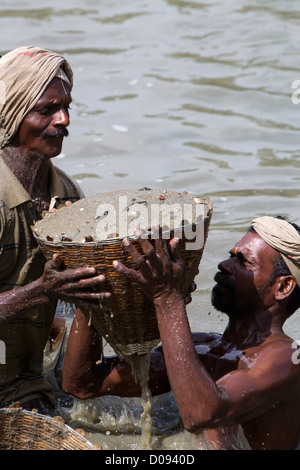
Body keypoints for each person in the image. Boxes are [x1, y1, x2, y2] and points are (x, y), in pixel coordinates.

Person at [62, 216, 300, 450]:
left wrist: (166, 297)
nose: (224, 265)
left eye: (244, 261)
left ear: (283, 286)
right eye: (230, 256)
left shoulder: (289, 359)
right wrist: (93, 291)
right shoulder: (203, 347)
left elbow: (201, 415)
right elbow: (83, 384)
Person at [0, 46, 108, 415]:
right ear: (11, 114)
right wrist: (40, 291)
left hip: (23, 379)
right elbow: (46, 288)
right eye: (46, 110)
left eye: (66, 107)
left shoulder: (67, 193)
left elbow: (77, 287)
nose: (63, 120)